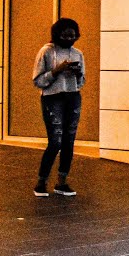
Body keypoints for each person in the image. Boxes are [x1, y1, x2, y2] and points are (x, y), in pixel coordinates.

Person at [32, 18, 85, 197]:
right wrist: (57, 71)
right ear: (56, 34)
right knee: (55, 141)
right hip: (52, 98)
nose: (69, 39)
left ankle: (62, 182)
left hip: (73, 96)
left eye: (73, 36)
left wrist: (77, 74)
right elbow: (38, 81)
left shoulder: (78, 54)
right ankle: (41, 182)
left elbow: (82, 81)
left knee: (69, 141)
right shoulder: (46, 52)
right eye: (65, 35)